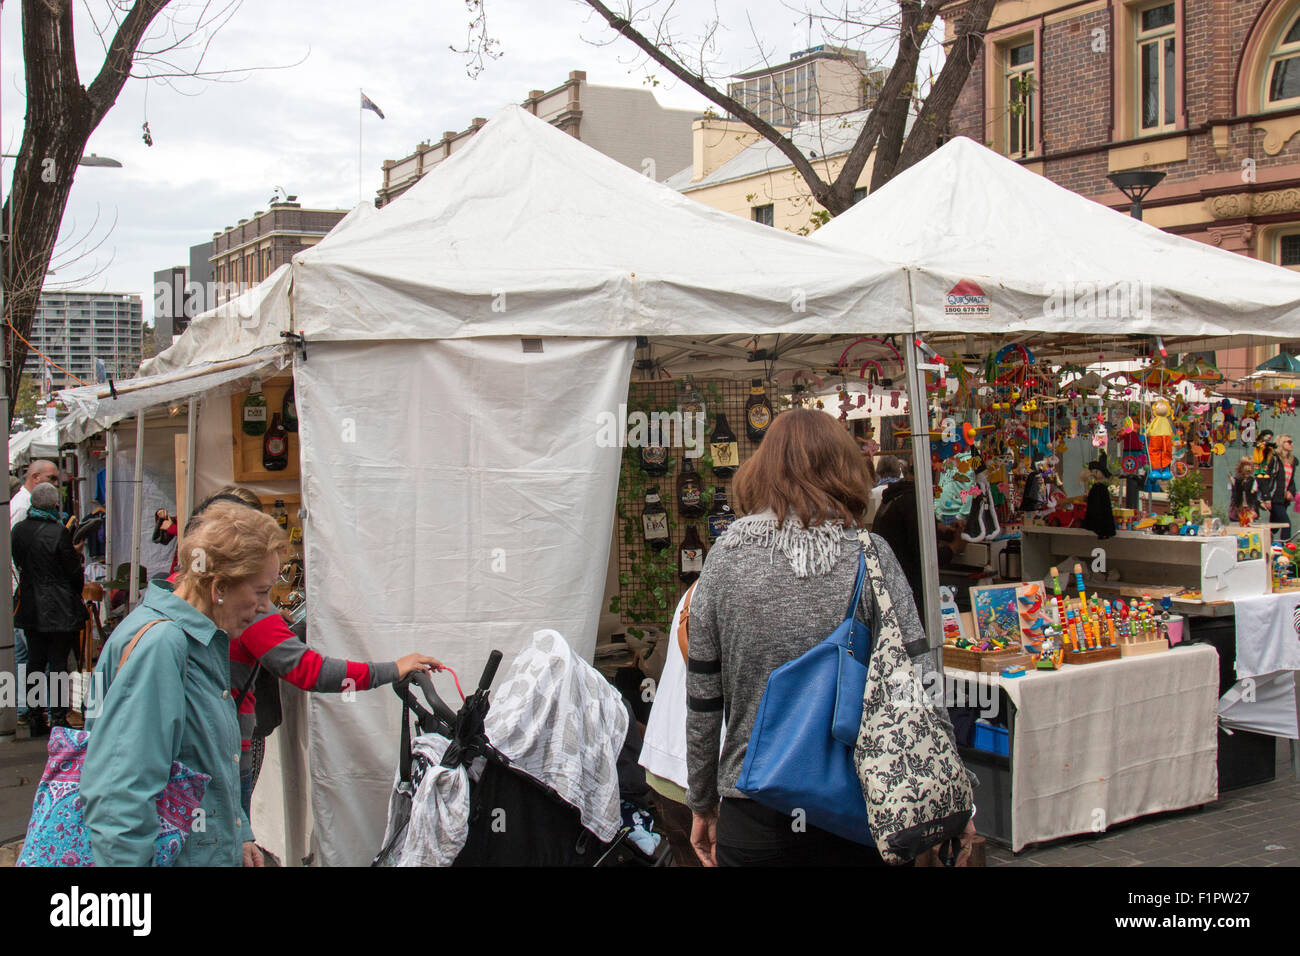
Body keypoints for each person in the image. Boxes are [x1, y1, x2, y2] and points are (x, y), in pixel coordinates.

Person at [685, 409, 974, 867]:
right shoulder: (871, 555)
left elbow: (703, 698)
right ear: (845, 469)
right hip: (864, 809)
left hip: (754, 810)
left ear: (762, 469)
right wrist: (952, 795)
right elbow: (920, 680)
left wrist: (701, 802)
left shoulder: (724, 560)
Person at [187, 486, 442, 821]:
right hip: (227, 750)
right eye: (262, 590)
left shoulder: (181, 592)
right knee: (227, 833)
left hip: (205, 749)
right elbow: (309, 670)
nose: (262, 604)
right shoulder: (242, 605)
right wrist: (392, 669)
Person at [81, 500, 286, 866]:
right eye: (260, 591)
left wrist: (235, 832)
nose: (266, 606)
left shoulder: (194, 640)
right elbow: (120, 797)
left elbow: (202, 761)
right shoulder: (163, 645)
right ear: (219, 587)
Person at [11, 482, 86, 735]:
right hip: (58, 607)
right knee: (57, 663)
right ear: (54, 504)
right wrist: (76, 554)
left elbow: (20, 563)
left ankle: (35, 716)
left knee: (35, 660)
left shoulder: (18, 531)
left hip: (30, 603)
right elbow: (73, 574)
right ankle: (58, 717)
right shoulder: (58, 532)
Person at [11, 459, 59, 727]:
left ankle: (25, 709)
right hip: (30, 596)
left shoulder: (19, 506)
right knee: (39, 659)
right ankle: (43, 712)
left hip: (23, 594)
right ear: (36, 478)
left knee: (25, 658)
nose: (56, 484)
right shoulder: (23, 508)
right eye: (52, 478)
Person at [865, 455, 904, 527]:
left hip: (880, 531)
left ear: (879, 470)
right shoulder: (904, 490)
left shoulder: (872, 493)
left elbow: (869, 522)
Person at [1230, 457, 1259, 524]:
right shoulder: (1238, 480)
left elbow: (1254, 492)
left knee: (1249, 518)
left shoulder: (1252, 480)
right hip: (1239, 503)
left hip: (1249, 503)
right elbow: (1235, 491)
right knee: (1240, 517)